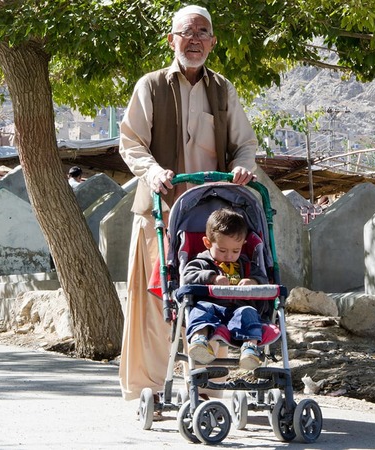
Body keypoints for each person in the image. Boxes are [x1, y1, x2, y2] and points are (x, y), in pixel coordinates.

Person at [118, 4, 258, 401]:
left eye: (202, 33)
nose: (194, 40)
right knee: (154, 302)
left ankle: (208, 386)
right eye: (186, 33)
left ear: (212, 42)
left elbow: (244, 144)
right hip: (160, 212)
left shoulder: (223, 88)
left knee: (214, 294)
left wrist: (244, 168)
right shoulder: (150, 85)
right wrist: (152, 172)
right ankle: (151, 389)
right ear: (171, 40)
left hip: (210, 220)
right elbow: (131, 142)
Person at [182, 208, 268, 370]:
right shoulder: (201, 261)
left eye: (235, 251)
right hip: (211, 306)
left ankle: (250, 348)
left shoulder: (246, 265)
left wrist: (253, 281)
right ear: (208, 243)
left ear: (243, 245)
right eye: (222, 250)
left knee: (249, 312)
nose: (229, 256)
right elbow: (187, 276)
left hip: (238, 308)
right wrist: (212, 278)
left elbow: (263, 279)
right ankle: (199, 341)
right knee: (200, 309)